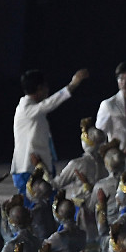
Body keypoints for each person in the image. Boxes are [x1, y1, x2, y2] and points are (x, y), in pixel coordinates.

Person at [11, 68, 90, 202]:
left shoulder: (34, 109)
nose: (48, 90)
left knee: (49, 206)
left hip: (41, 167)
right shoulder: (26, 108)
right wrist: (73, 84)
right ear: (39, 88)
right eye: (46, 86)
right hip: (28, 169)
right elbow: (49, 104)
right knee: (33, 211)